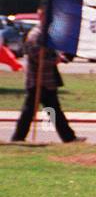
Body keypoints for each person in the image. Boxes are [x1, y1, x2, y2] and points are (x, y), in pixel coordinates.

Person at [10, 15, 80, 143]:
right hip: (38, 80)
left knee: (51, 111)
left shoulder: (47, 35)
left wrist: (61, 57)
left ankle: (69, 138)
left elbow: (50, 53)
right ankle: (18, 137)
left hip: (47, 80)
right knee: (33, 111)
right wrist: (56, 60)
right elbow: (37, 57)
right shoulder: (36, 35)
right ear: (43, 17)